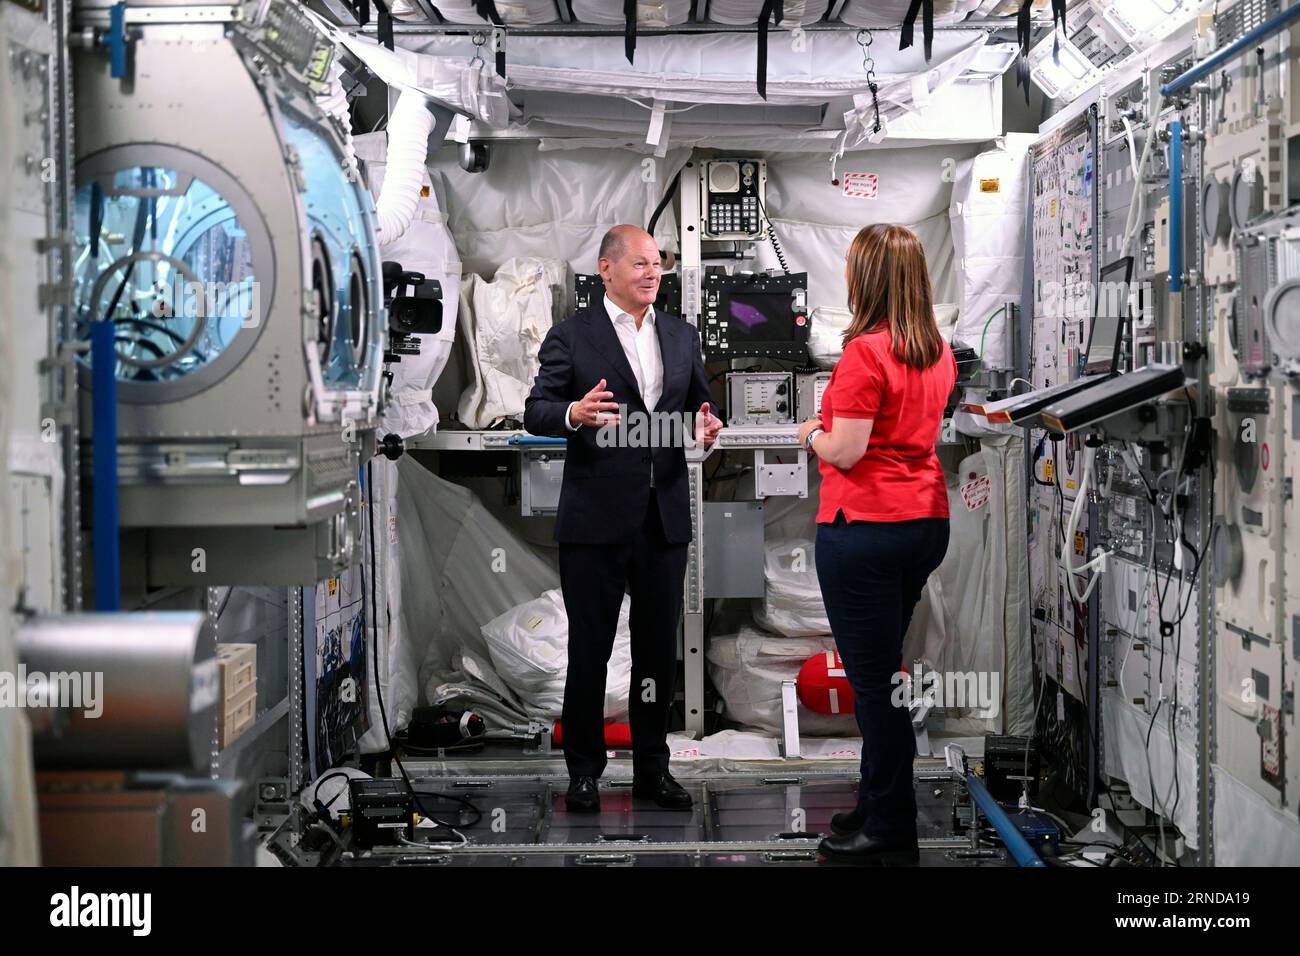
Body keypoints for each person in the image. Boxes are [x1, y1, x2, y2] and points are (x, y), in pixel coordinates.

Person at [524, 225, 723, 814]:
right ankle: (583, 772)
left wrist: (707, 430)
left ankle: (651, 770)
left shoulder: (682, 338)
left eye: (657, 263)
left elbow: (700, 412)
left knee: (657, 653)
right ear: (605, 269)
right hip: (594, 521)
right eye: (639, 263)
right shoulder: (572, 337)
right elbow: (536, 408)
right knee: (590, 649)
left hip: (662, 519)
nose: (651, 272)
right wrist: (572, 413)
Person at [795, 223, 957, 865]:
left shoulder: (866, 352)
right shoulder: (936, 351)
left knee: (873, 684)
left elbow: (848, 448)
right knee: (883, 671)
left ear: (867, 280)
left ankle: (891, 825)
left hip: (864, 527)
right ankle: (873, 799)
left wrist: (810, 432)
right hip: (923, 522)